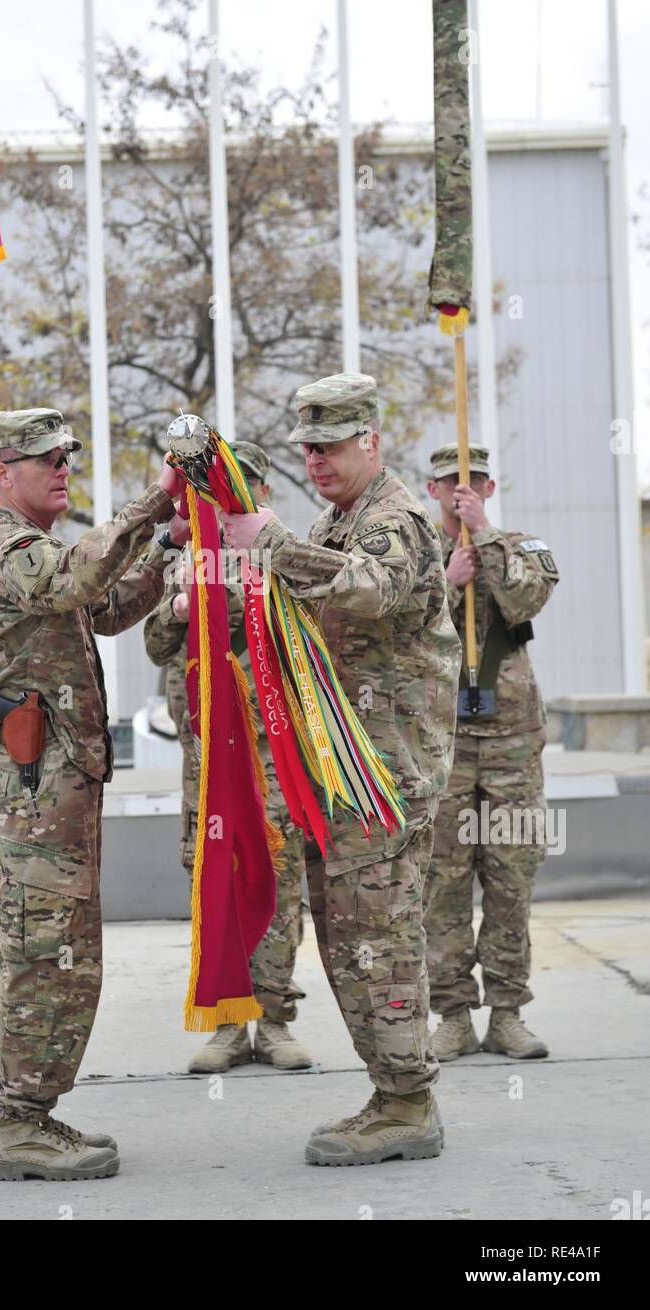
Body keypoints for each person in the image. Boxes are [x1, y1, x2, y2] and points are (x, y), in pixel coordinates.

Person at [221, 374, 461, 1166]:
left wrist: (272, 544)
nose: (314, 459)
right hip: (346, 771)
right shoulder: (340, 517)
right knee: (350, 933)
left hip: (385, 774)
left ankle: (407, 1102)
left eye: (329, 445)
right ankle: (391, 1090)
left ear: (371, 442)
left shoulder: (396, 521)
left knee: (379, 935)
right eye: (307, 447)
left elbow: (372, 586)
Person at [0, 407, 186, 1181]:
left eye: (67, 455)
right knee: (36, 950)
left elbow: (109, 607)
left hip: (56, 786)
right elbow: (83, 578)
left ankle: (34, 1114)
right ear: (3, 473)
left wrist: (165, 547)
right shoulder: (5, 549)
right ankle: (19, 1124)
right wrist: (152, 502)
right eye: (47, 457)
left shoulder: (43, 553)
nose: (63, 467)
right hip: (30, 790)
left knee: (65, 951)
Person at [144, 441, 313, 1074]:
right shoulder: (183, 560)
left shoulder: (282, 553)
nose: (224, 505)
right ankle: (227, 1022)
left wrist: (228, 594)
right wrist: (185, 604)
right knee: (214, 881)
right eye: (212, 493)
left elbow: (296, 620)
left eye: (238, 492)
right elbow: (157, 644)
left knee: (275, 878)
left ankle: (273, 1020)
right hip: (207, 760)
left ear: (261, 494)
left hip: (271, 756)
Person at [423, 443, 559, 1061]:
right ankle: (452, 1012)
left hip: (510, 742)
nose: (460, 491)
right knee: (442, 882)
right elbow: (394, 621)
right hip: (442, 738)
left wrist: (485, 536)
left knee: (510, 878)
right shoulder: (417, 555)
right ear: (431, 490)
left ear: (489, 486)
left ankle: (508, 1011)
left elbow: (526, 600)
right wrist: (446, 581)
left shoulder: (521, 546)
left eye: (471, 482)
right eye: (449, 482)